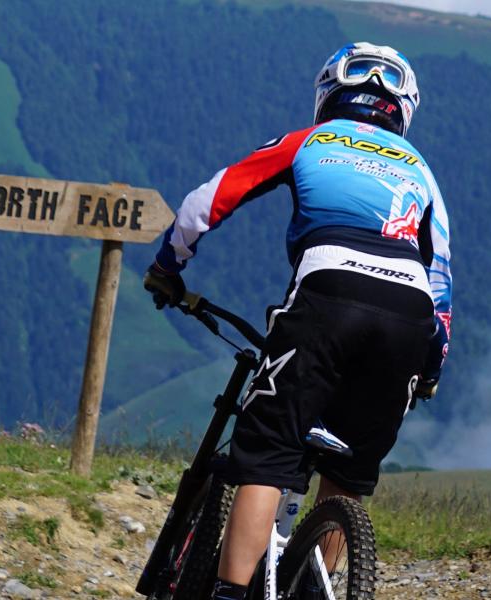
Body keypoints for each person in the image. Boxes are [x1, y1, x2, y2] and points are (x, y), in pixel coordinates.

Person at [143, 41, 451, 600]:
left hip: (327, 292)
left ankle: (229, 595)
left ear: (328, 94)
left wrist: (168, 267)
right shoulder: (422, 171)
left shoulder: (308, 141)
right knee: (347, 473)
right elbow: (443, 280)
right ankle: (317, 587)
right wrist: (430, 366)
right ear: (405, 109)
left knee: (266, 455)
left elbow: (204, 203)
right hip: (410, 314)